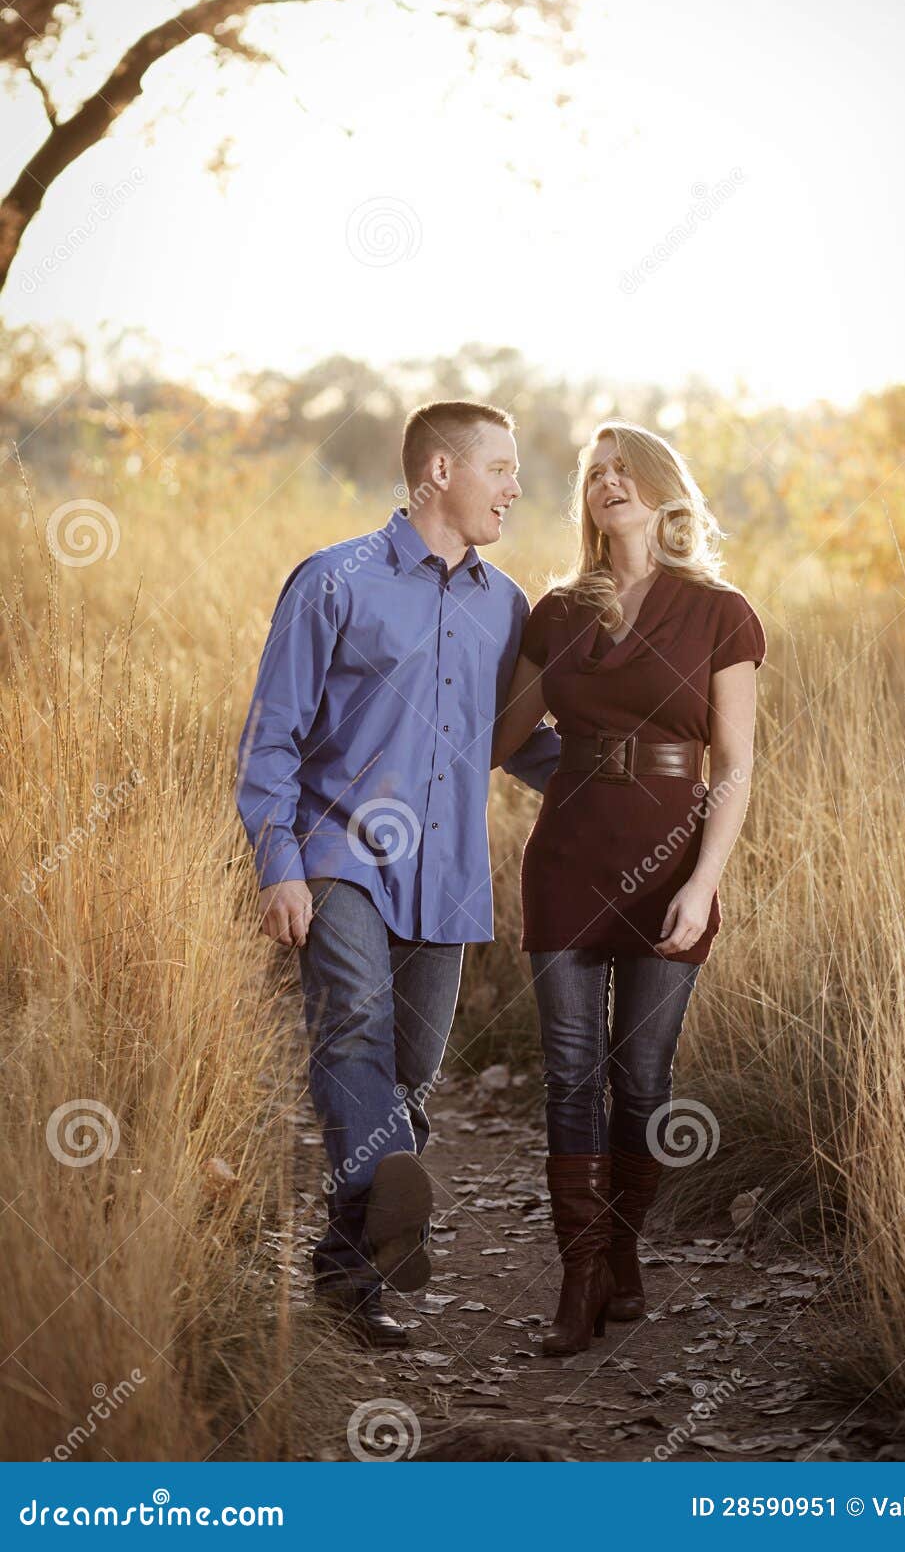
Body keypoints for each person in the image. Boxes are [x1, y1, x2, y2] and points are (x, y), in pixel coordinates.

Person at [236, 400, 558, 1348]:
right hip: (337, 853)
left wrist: (617, 776)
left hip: (447, 871)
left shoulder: (506, 604)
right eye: (499, 467)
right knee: (355, 1033)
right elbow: (271, 740)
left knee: (408, 1076)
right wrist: (278, 867)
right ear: (440, 475)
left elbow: (513, 743)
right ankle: (386, 1200)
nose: (515, 486)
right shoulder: (334, 582)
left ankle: (347, 1270)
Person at [492, 420, 766, 1357]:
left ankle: (625, 1253)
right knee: (570, 1074)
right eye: (594, 473)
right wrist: (574, 771)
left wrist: (704, 880)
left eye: (624, 470)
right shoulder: (559, 610)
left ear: (660, 489)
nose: (607, 482)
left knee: (642, 1081)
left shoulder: (720, 610)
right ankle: (578, 1278)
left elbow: (732, 765)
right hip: (566, 863)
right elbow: (503, 736)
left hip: (673, 870)